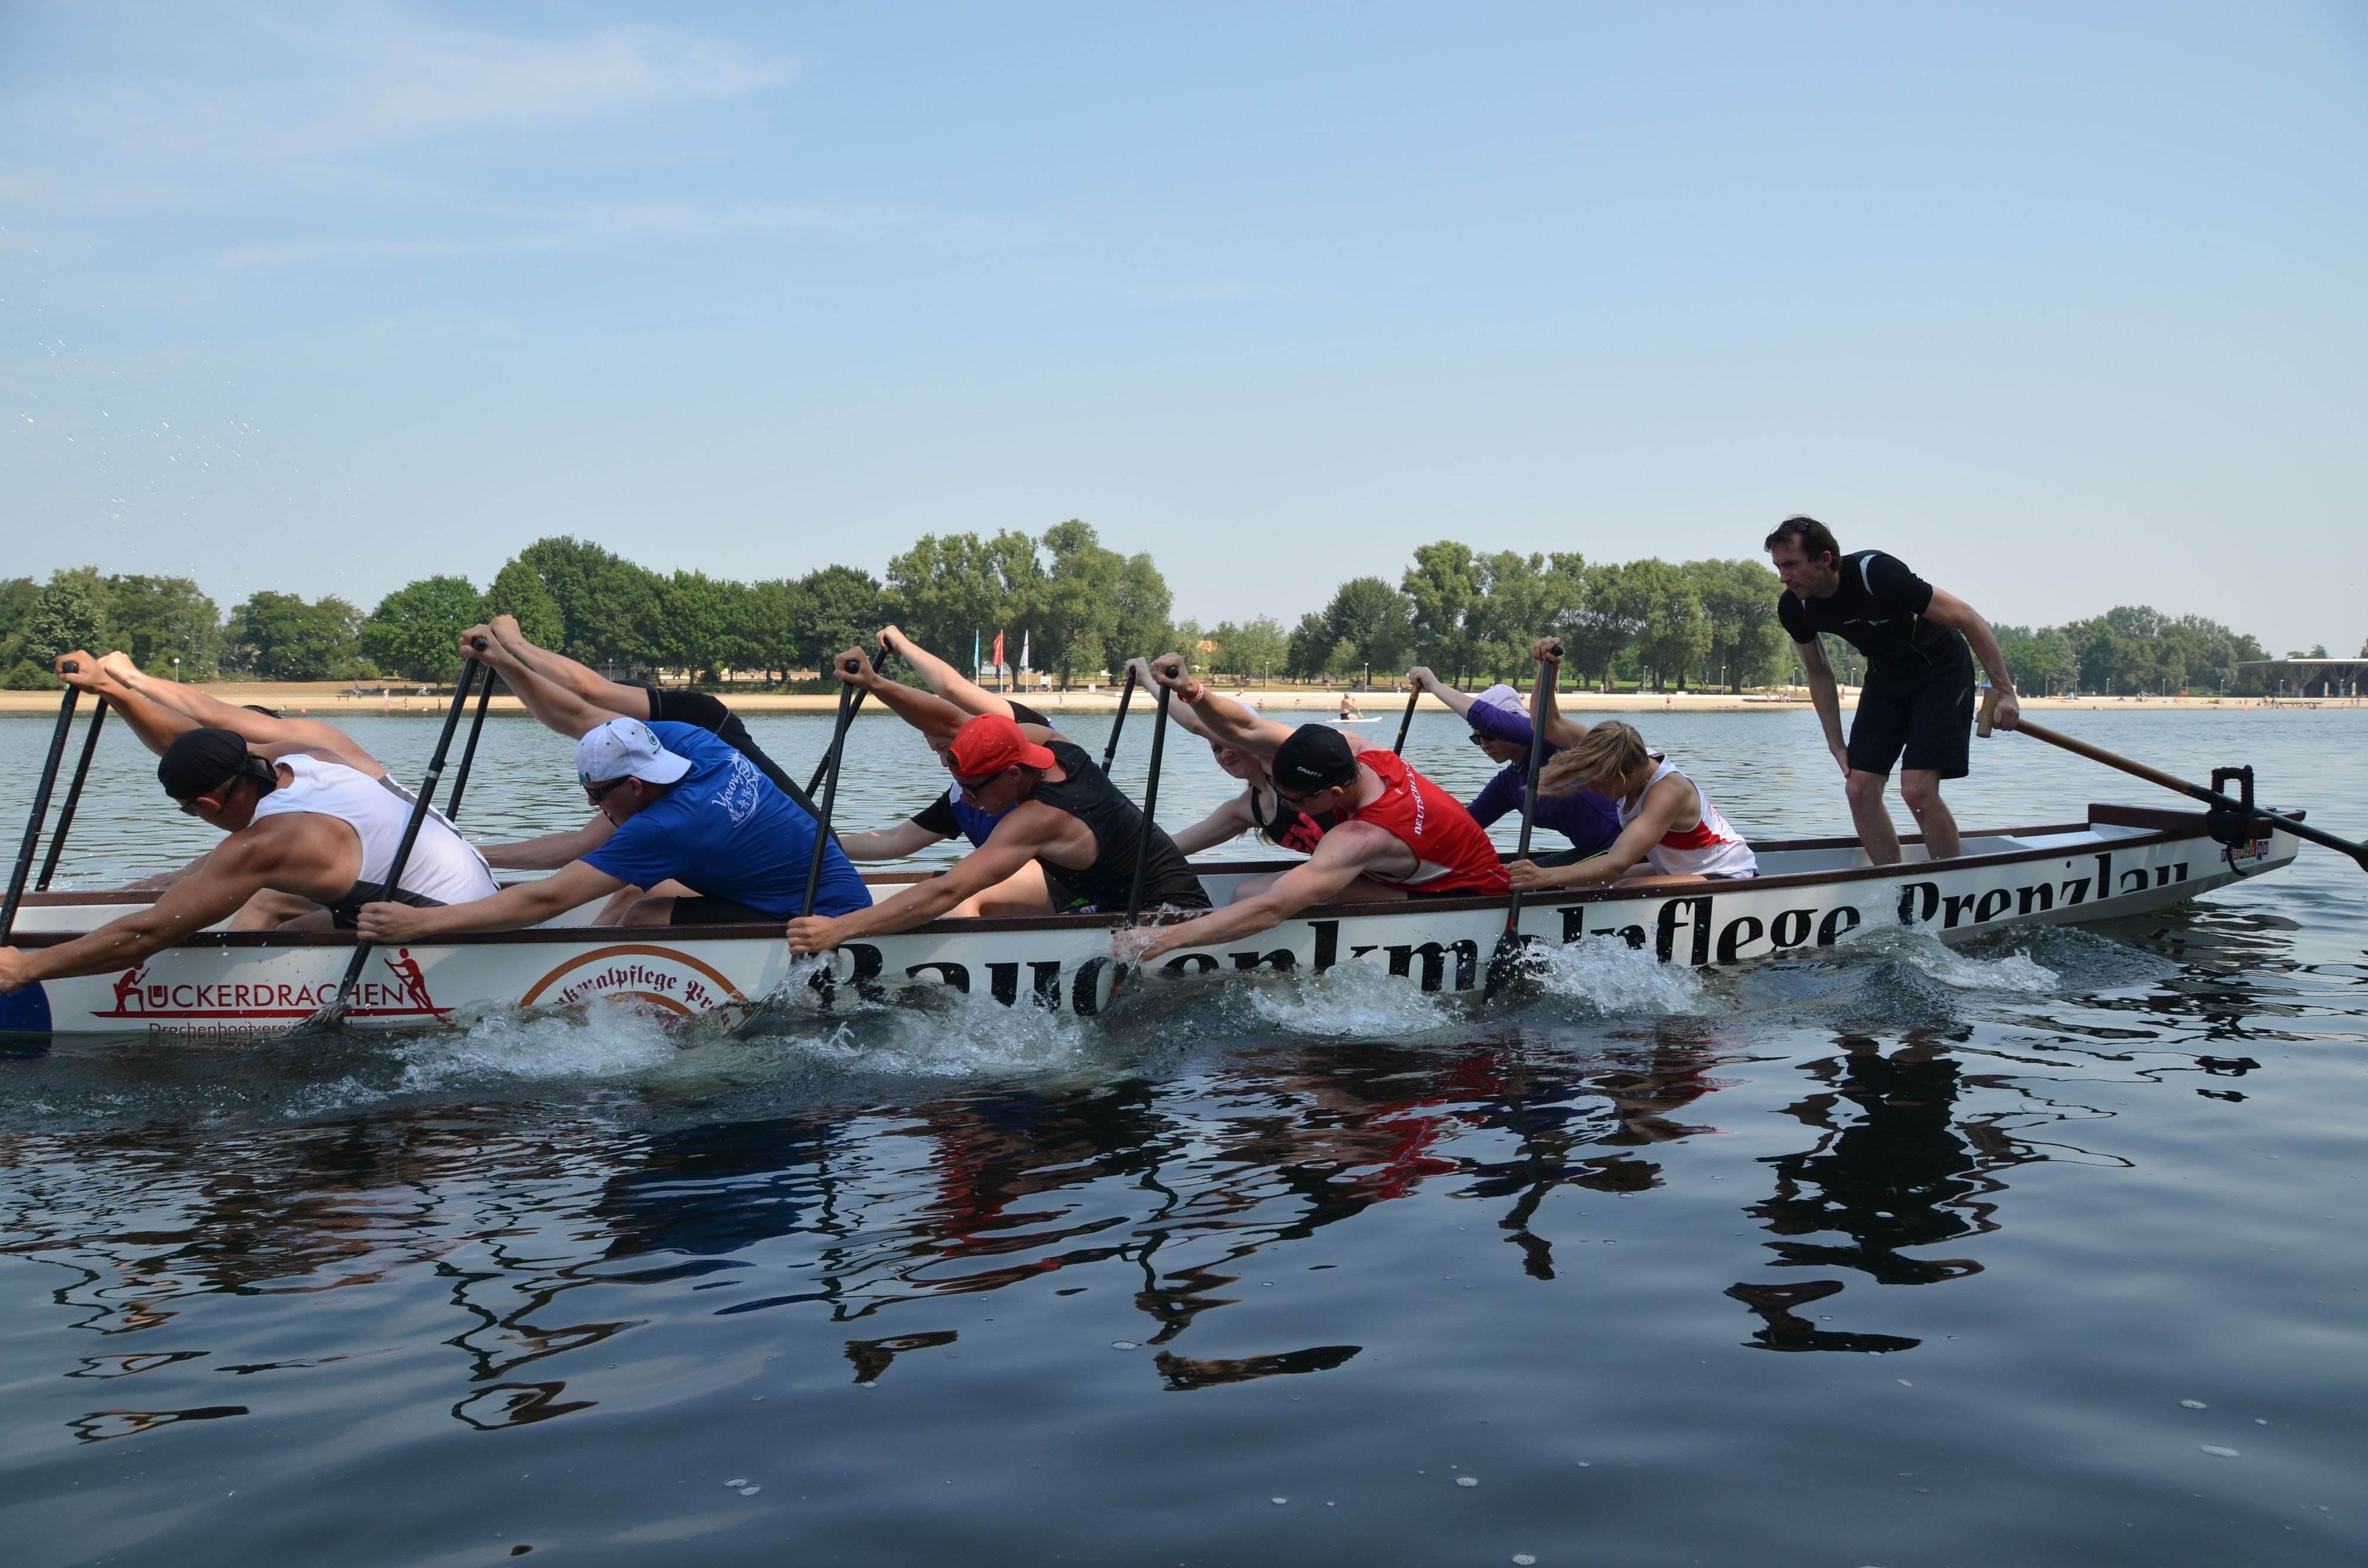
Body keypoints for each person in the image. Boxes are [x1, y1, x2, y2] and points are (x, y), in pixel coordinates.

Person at [357, 634, 870, 940]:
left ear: (634, 785)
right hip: (810, 885)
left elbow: (547, 899)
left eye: (597, 796)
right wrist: (503, 662)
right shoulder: (687, 742)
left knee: (643, 911)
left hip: (823, 917)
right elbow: (578, 715)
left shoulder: (672, 827)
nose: (591, 804)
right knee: (636, 885)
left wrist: (418, 926)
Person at [0, 720, 501, 995]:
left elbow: (146, 935)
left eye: (191, 815)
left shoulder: (270, 842)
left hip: (449, 934)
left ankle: (220, 1000)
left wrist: (26, 970)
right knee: (265, 903)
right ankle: (249, 991)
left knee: (214, 908)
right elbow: (208, 866)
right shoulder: (307, 759)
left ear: (208, 803)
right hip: (474, 896)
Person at [1130, 661, 1508, 966]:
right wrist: (1189, 688)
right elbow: (1241, 727)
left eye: (1294, 802)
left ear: (1333, 795)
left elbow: (1274, 908)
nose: (1288, 806)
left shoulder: (1360, 837)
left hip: (1466, 895)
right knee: (1248, 890)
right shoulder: (1354, 748)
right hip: (1415, 867)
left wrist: (1164, 940)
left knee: (1265, 897)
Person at [783, 711, 1210, 954]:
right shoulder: (1051, 746)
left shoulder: (1038, 817)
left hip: (1172, 913)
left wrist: (839, 930)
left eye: (972, 789)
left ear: (1011, 773)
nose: (965, 800)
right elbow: (944, 713)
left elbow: (949, 891)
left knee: (960, 892)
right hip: (1103, 897)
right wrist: (875, 682)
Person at [1766, 516, 2020, 864]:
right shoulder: (1795, 606)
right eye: (1779, 566)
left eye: (1792, 565)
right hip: (1886, 675)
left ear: (1825, 559)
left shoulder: (1877, 574)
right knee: (1859, 789)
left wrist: (2005, 693)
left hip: (1940, 668)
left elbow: (1968, 618)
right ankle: (1891, 886)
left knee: (1916, 789)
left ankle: (1951, 882)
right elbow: (1819, 671)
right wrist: (1836, 744)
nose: (1784, 577)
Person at [1118, 657, 1330, 861]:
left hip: (1360, 854)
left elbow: (1196, 724)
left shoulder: (1285, 760)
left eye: (1231, 744)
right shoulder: (1245, 809)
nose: (1226, 754)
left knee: (1246, 893)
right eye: (1217, 749)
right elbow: (1170, 847)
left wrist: (1148, 679)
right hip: (1347, 873)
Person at [1402, 664, 1619, 862]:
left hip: (1630, 850)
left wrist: (1434, 685)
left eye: (1490, 735)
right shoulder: (1507, 784)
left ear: (1512, 725)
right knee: (1504, 877)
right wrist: (1404, 836)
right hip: (1593, 853)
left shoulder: (1549, 743)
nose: (1484, 744)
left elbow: (1489, 720)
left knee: (1520, 882)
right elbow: (1463, 826)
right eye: (1477, 738)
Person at [1509, 719, 1755, 890]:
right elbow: (1550, 724)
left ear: (1624, 773)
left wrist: (1544, 876)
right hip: (1681, 871)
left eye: (1600, 782)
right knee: (1578, 883)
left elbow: (1616, 864)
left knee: (1623, 887)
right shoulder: (1620, 749)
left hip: (1728, 875)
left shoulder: (1668, 792)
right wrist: (1549, 665)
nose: (1593, 790)